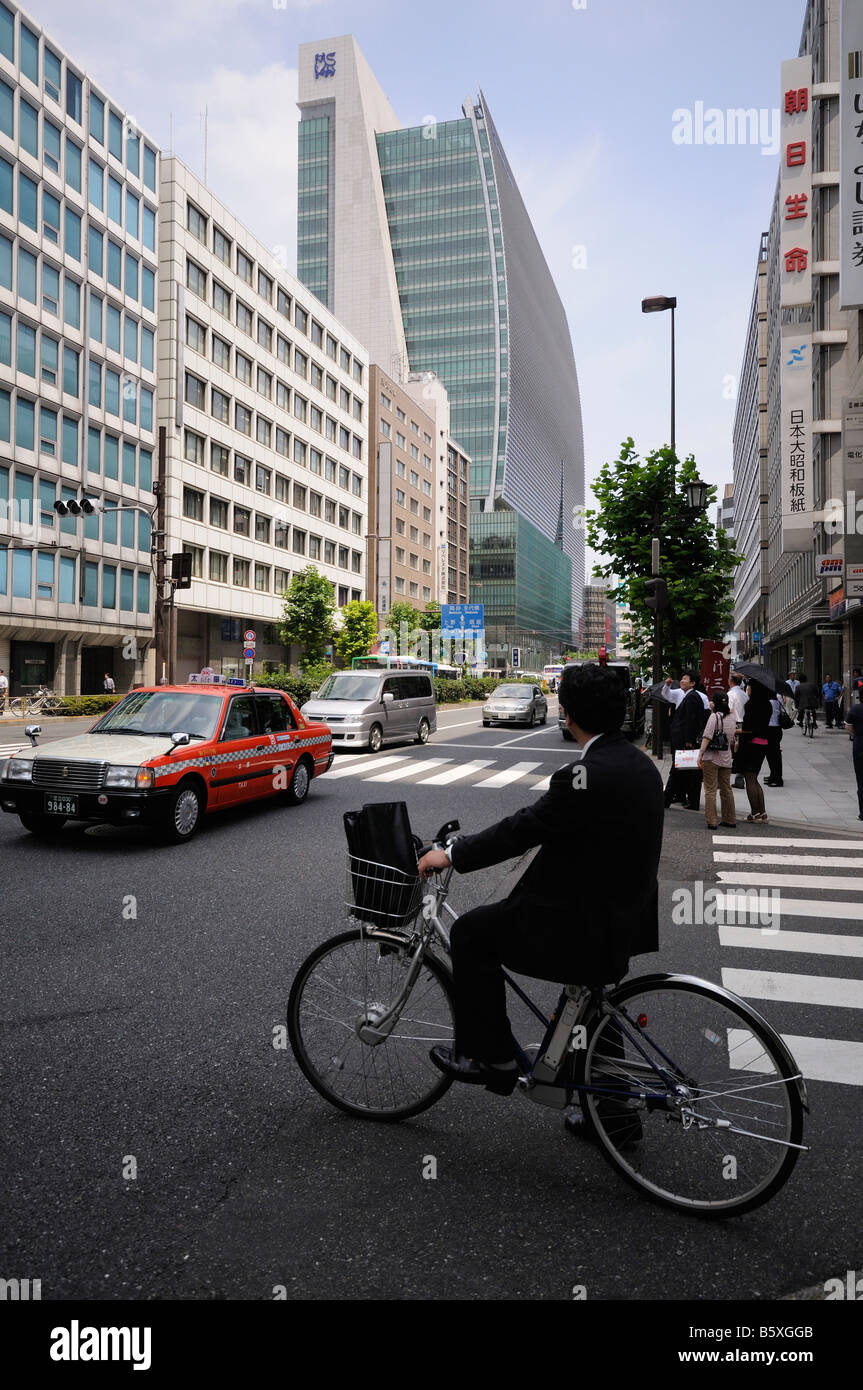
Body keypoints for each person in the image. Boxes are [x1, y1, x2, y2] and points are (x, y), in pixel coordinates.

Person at [416, 663, 663, 1142]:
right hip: (624, 916)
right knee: (589, 1003)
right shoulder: (637, 763)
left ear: (567, 714)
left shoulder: (583, 775)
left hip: (578, 918)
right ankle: (612, 1114)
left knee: (470, 934)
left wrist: (450, 854)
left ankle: (494, 1057)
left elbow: (523, 828)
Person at [663, 671, 709, 811]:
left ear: (692, 683)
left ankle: (667, 799)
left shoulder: (692, 697)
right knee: (686, 771)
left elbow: (691, 720)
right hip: (684, 739)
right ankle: (686, 800)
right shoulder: (690, 696)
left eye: (685, 679)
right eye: (682, 678)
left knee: (679, 770)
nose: (682, 681)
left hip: (685, 741)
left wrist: (689, 740)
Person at [697, 689, 737, 830]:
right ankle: (730, 819)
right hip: (726, 758)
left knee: (710, 790)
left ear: (715, 703)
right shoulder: (732, 717)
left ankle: (712, 821)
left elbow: (707, 736)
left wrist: (700, 754)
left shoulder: (714, 717)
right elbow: (732, 738)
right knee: (726, 789)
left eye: (712, 700)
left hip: (711, 758)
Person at [739, 682, 772, 822]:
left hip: (751, 744)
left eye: (749, 688)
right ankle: (762, 812)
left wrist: (737, 730)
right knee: (754, 778)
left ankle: (754, 813)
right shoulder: (768, 705)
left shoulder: (751, 705)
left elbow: (747, 727)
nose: (748, 690)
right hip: (763, 743)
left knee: (750, 779)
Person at [844, 691, 863, 821]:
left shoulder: (855, 709)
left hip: (860, 744)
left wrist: (855, 733)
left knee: (861, 779)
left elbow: (848, 726)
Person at [728, 673, 748, 789]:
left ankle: (727, 777)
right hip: (743, 724)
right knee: (740, 750)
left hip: (733, 723)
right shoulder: (744, 694)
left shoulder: (731, 694)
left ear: (731, 681)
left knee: (730, 751)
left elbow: (729, 710)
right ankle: (739, 778)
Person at [765, 694, 784, 787]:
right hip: (773, 727)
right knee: (770, 753)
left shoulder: (770, 697)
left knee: (774, 755)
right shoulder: (777, 696)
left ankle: (778, 778)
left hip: (772, 728)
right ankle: (773, 775)